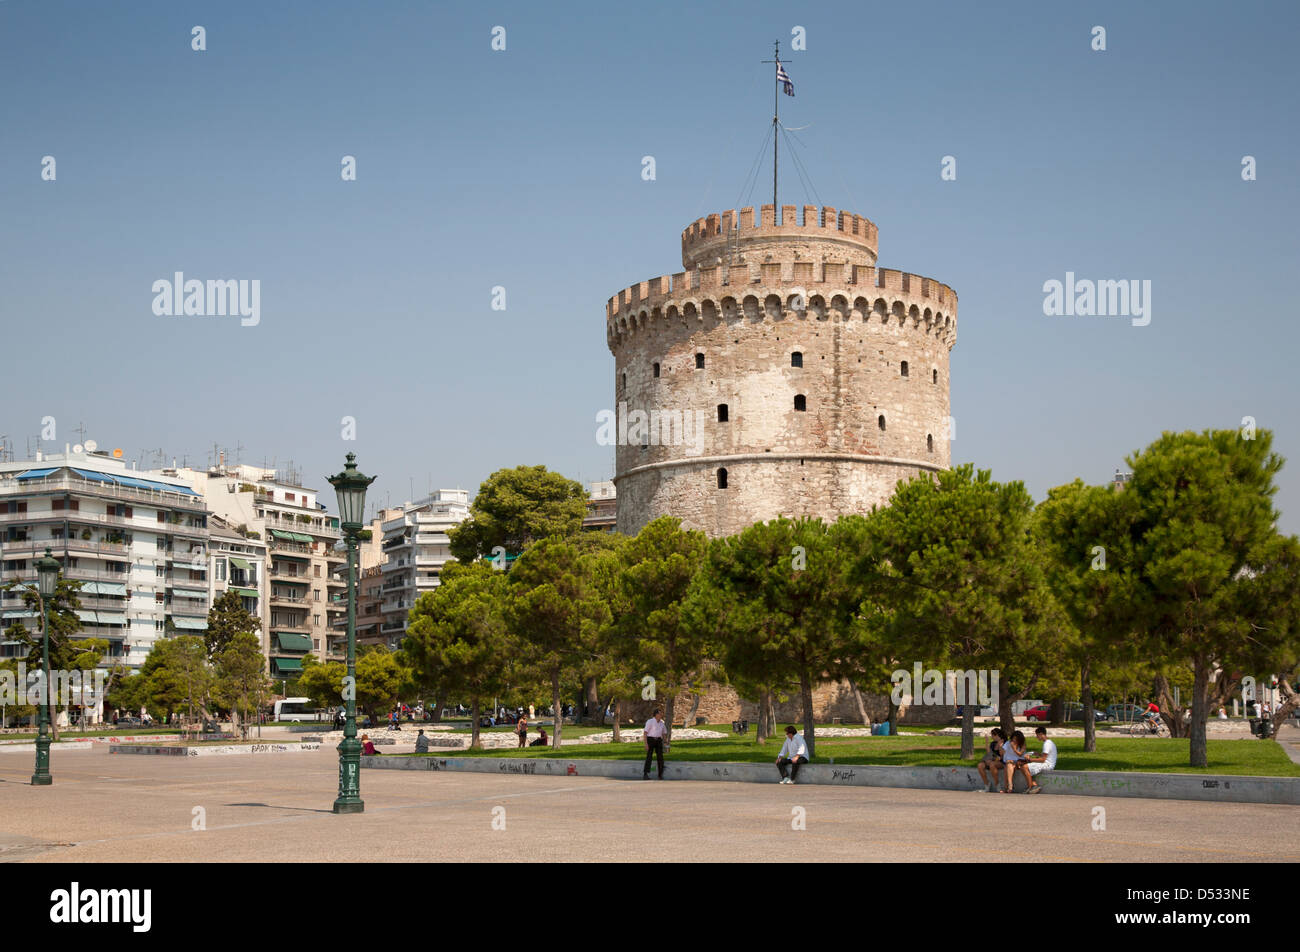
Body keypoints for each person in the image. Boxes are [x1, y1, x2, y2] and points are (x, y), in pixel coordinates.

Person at [1024, 726, 1056, 791]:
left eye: (1037, 735)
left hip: (1047, 765)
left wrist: (1030, 759)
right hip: (1048, 763)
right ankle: (1032, 784)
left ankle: (1032, 786)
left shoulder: (1047, 744)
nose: (1036, 737)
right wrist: (1038, 754)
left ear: (1041, 734)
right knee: (1026, 766)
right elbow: (1045, 756)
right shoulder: (1049, 742)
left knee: (1024, 767)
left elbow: (1043, 760)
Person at [976, 727, 1006, 792]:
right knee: (980, 765)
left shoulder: (1004, 742)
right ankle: (987, 784)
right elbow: (989, 753)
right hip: (992, 760)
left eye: (992, 735)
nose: (991, 737)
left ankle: (997, 784)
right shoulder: (993, 743)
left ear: (997, 735)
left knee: (992, 765)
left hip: (1001, 761)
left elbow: (1002, 755)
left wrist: (1000, 746)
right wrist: (987, 742)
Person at [643, 708, 667, 780]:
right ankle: (646, 773)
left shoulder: (662, 723)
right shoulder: (650, 722)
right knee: (649, 756)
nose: (661, 715)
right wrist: (646, 744)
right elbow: (645, 733)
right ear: (656, 715)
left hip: (658, 740)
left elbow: (664, 733)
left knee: (660, 757)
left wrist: (665, 743)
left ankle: (660, 774)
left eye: (661, 714)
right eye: (659, 713)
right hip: (650, 739)